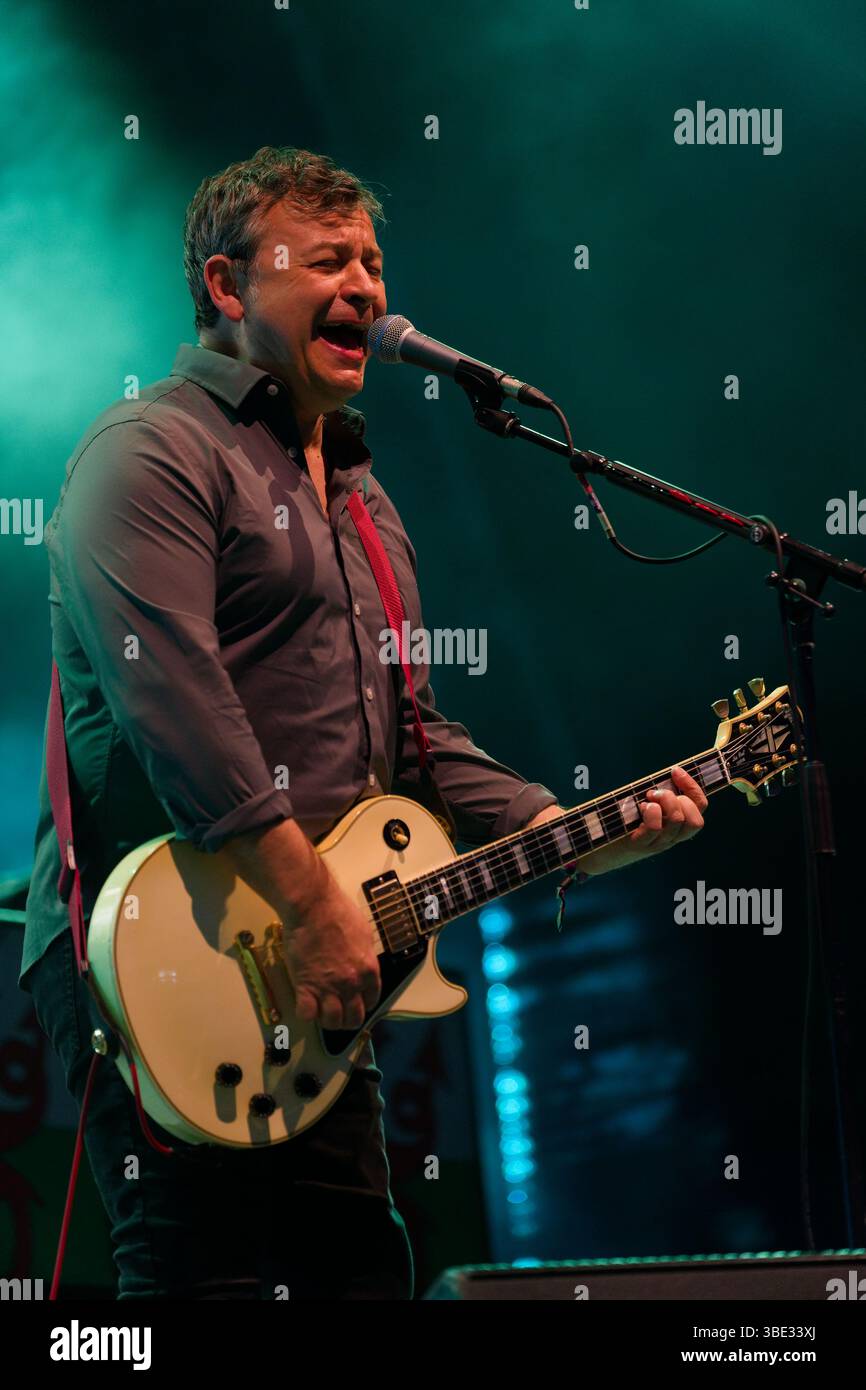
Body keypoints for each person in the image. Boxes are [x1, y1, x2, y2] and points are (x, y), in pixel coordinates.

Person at [18, 145, 708, 1300]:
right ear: (226, 287)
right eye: (327, 260)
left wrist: (575, 826)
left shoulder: (364, 500)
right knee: (195, 1273)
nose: (369, 289)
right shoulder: (149, 452)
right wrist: (305, 898)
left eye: (375, 263)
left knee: (358, 1272)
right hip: (158, 942)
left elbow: (416, 741)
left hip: (311, 955)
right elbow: (172, 701)